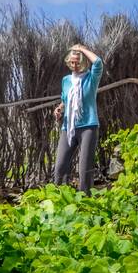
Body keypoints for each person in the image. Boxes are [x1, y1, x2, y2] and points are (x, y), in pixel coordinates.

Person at [52, 43, 103, 193]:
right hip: (68, 127)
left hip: (88, 126)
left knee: (84, 168)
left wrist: (81, 49)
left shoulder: (91, 78)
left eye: (77, 62)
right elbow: (65, 99)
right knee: (60, 166)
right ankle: (60, 198)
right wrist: (60, 109)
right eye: (71, 62)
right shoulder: (66, 80)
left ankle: (85, 201)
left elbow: (98, 62)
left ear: (83, 62)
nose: (74, 65)